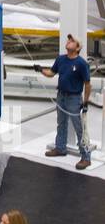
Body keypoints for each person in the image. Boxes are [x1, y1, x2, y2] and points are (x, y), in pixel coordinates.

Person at [36, 34, 92, 169]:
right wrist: (41, 70)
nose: (69, 42)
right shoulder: (60, 59)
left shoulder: (81, 63)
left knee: (79, 128)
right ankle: (60, 148)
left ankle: (86, 157)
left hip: (74, 98)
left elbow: (87, 84)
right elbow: (51, 73)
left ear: (77, 48)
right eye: (69, 40)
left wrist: (85, 102)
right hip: (61, 96)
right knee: (61, 123)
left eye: (72, 41)